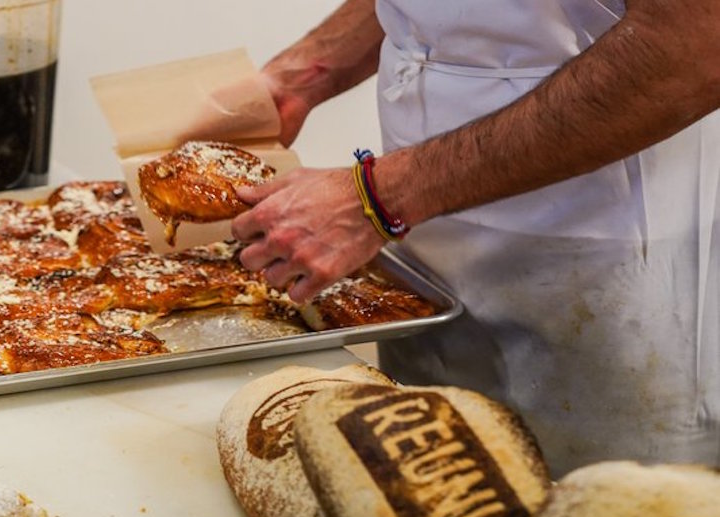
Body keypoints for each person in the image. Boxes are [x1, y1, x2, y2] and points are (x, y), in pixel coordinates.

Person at [230, 0, 720, 476]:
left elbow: (696, 43)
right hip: (427, 232)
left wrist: (382, 195)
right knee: (435, 497)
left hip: (611, 253)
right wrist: (302, 76)